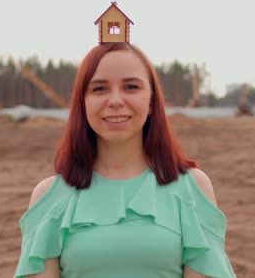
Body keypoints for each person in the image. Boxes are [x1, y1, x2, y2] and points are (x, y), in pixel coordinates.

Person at [14, 42, 236, 278]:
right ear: (83, 103)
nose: (115, 100)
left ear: (151, 101)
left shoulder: (193, 188)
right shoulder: (48, 197)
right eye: (99, 89)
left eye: (131, 86)